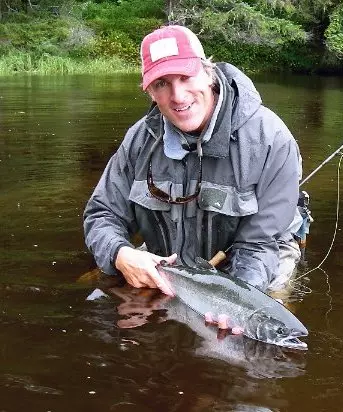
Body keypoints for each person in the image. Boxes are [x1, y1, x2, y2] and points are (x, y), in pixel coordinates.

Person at [83, 25, 303, 299]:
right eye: (162, 83)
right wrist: (120, 253)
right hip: (175, 265)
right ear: (150, 91)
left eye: (186, 77)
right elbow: (102, 214)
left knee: (248, 336)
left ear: (208, 73)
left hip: (256, 260)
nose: (178, 96)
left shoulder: (270, 139)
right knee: (101, 304)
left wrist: (235, 302)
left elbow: (259, 246)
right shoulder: (139, 140)